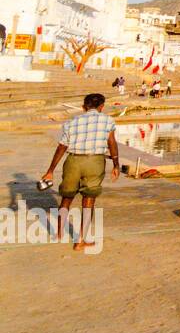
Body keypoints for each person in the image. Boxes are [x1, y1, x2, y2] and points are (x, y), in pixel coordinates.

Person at [38, 93, 120, 252]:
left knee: (66, 197)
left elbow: (61, 147)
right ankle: (80, 240)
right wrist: (116, 164)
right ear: (101, 107)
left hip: (73, 161)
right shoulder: (108, 121)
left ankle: (59, 233)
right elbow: (112, 143)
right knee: (89, 200)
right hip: (94, 162)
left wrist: (50, 171)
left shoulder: (71, 123)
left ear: (84, 107)